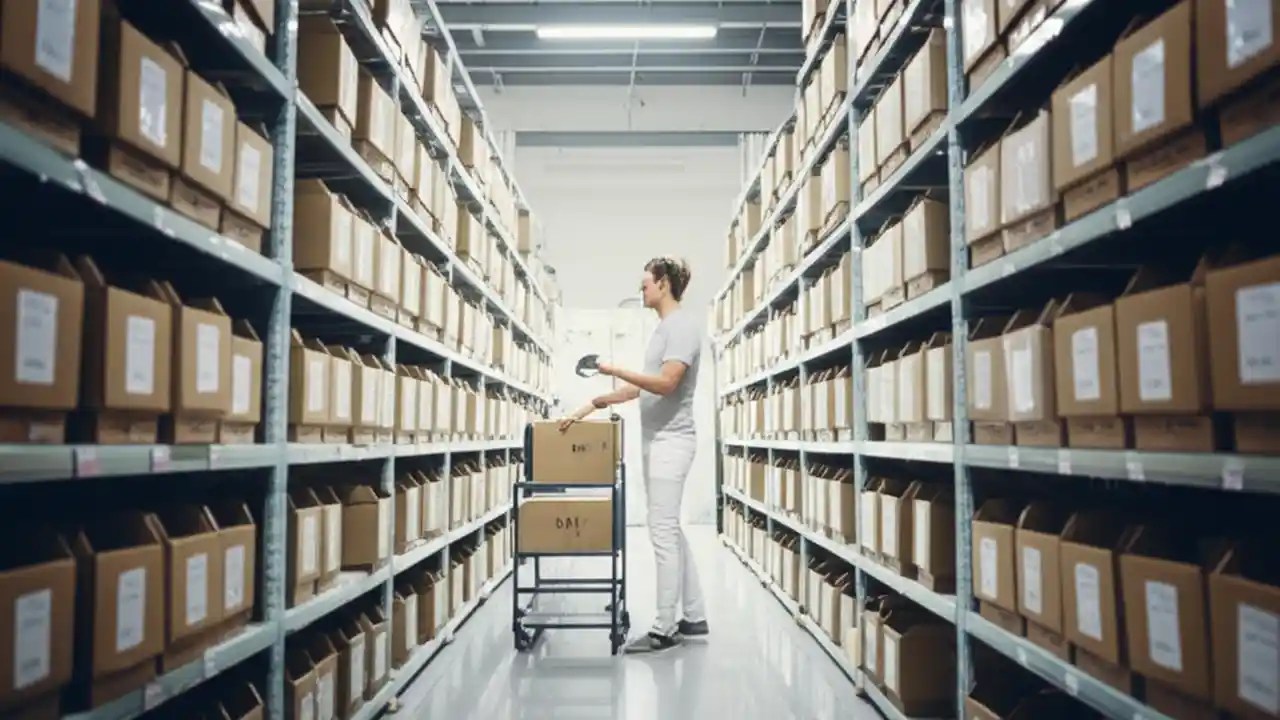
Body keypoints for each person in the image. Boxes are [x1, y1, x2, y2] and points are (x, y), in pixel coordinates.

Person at [559, 256, 708, 653]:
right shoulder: (665, 329)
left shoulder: (682, 327)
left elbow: (666, 383)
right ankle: (694, 615)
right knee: (668, 528)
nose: (641, 289)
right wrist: (595, 402)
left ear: (663, 283)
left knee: (662, 532)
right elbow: (643, 386)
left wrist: (613, 368)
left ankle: (664, 628)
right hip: (657, 440)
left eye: (645, 283)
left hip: (671, 442)